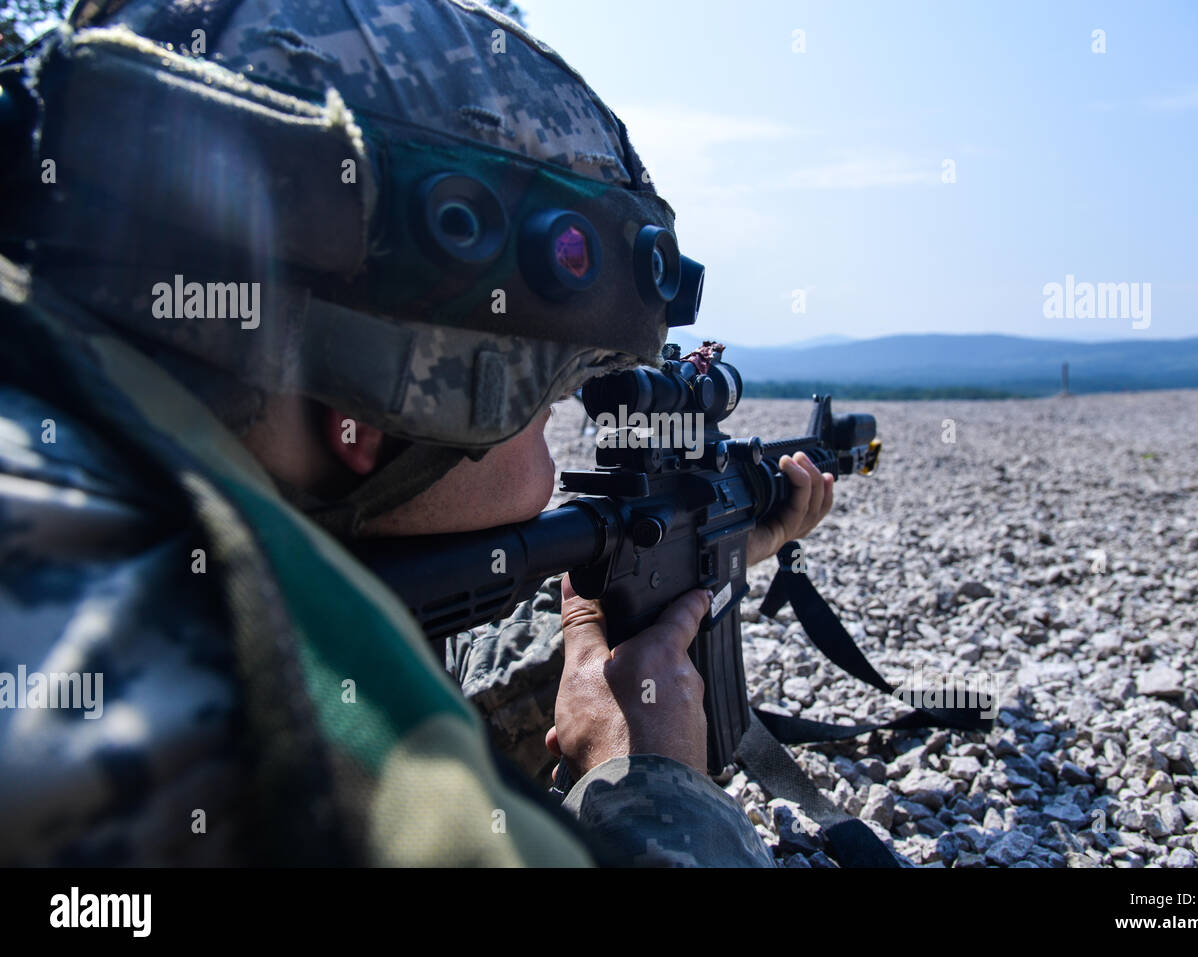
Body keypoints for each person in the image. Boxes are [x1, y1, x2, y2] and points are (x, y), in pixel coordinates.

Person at [0, 0, 835, 866]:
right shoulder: (182, 702)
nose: (551, 473)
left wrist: (710, 557)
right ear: (369, 422)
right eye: (542, 415)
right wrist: (651, 774)